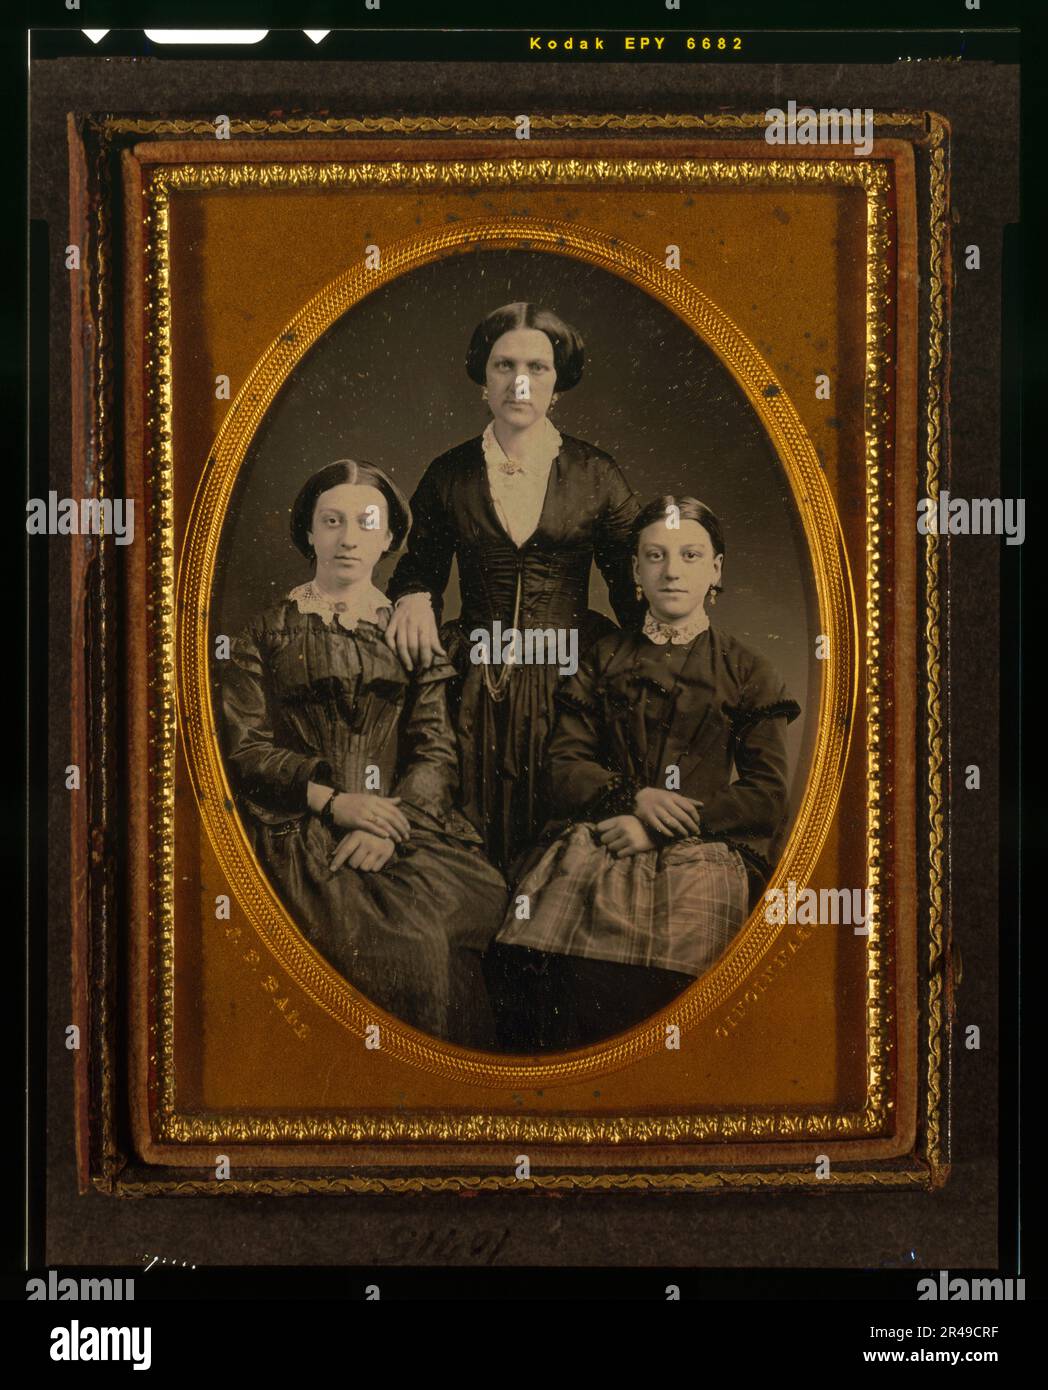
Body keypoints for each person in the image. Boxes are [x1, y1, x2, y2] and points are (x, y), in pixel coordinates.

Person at [492, 495, 800, 1050]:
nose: (672, 571)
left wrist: (660, 823)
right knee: (539, 968)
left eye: (689, 554)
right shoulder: (601, 659)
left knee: (664, 988)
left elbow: (766, 794)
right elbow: (563, 765)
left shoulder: (748, 669)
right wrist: (634, 799)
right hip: (606, 832)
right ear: (635, 570)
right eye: (655, 556)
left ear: (716, 570)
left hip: (707, 847)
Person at [220, 459, 508, 1047]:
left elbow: (435, 749)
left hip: (402, 825)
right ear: (309, 533)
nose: (349, 537)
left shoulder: (410, 635)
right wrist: (332, 802)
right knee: (395, 942)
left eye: (366, 521)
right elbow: (243, 748)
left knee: (447, 923)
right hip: (298, 829)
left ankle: (442, 1106)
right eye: (332, 521)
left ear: (390, 536)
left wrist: (388, 827)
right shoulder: (267, 633)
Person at [384, 301, 642, 872]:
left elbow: (632, 587)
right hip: (477, 670)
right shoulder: (449, 473)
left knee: (562, 837)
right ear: (483, 377)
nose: (519, 383)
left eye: (537, 368)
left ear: (558, 384)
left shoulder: (596, 473)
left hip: (572, 670)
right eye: (504, 366)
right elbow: (419, 564)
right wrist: (415, 595)